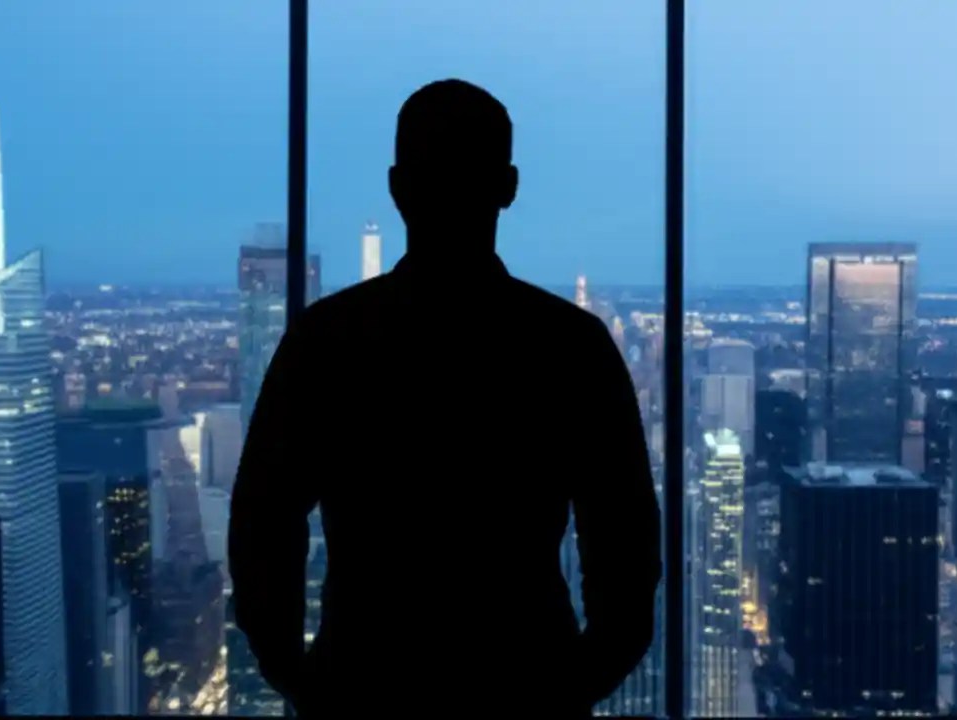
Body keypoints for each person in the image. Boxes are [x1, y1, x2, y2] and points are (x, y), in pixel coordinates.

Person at [229, 78, 662, 717]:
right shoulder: (570, 347)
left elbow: (261, 522)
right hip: (525, 682)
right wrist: (568, 686)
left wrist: (301, 676)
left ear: (398, 186)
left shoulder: (328, 340)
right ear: (508, 187)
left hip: (365, 685)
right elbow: (627, 547)